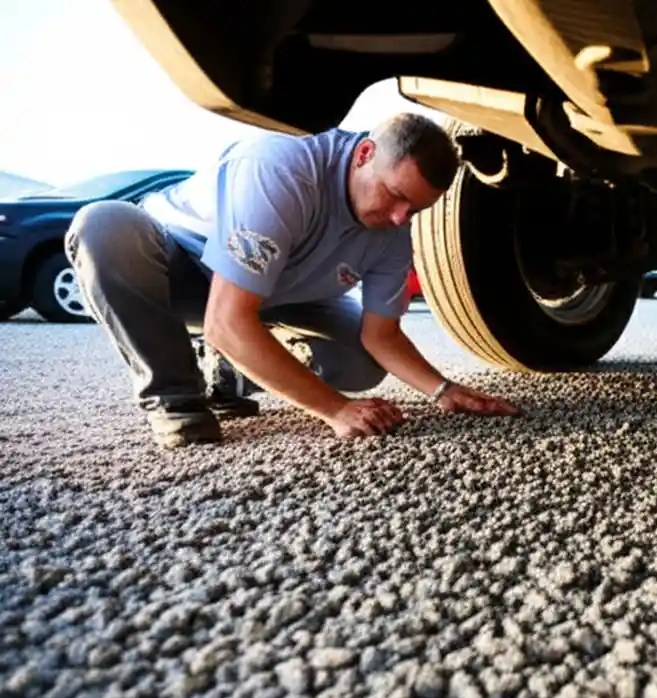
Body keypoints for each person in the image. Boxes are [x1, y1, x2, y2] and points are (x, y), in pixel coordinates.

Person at [66, 112, 521, 448]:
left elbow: (382, 335)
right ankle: (175, 396)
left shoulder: (393, 229)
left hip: (278, 295)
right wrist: (334, 409)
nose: (401, 217)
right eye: (396, 195)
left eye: (415, 210)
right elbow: (225, 320)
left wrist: (443, 390)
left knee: (359, 363)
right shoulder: (282, 167)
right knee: (104, 226)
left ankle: (230, 376)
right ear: (364, 154)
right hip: (185, 268)